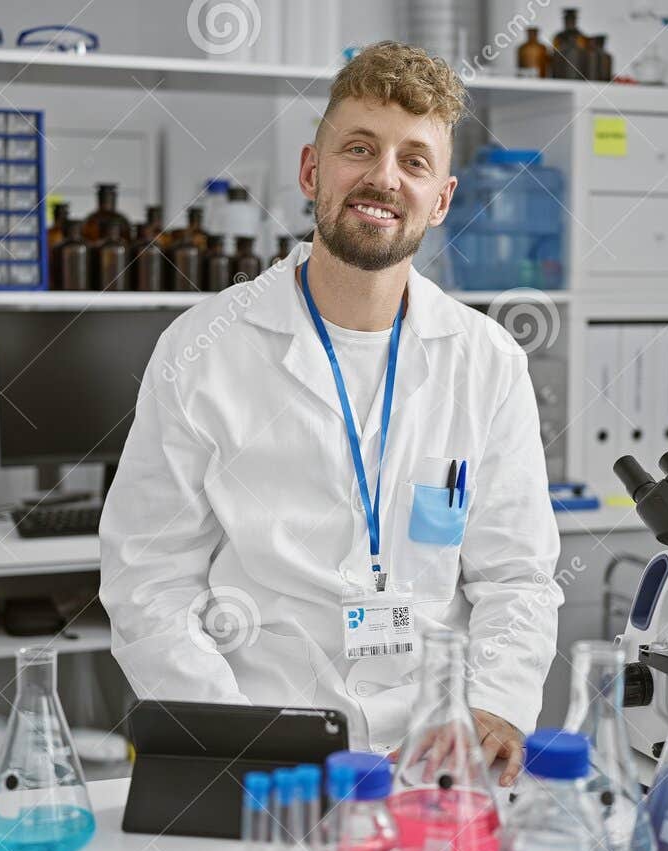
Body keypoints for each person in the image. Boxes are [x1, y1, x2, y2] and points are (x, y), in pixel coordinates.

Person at [99, 41, 561, 784]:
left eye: (415, 160)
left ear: (440, 199)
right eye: (359, 148)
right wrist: (230, 735)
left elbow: (517, 577)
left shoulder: (489, 362)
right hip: (262, 747)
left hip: (435, 752)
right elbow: (147, 578)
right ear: (313, 170)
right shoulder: (203, 349)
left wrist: (497, 703)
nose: (383, 178)